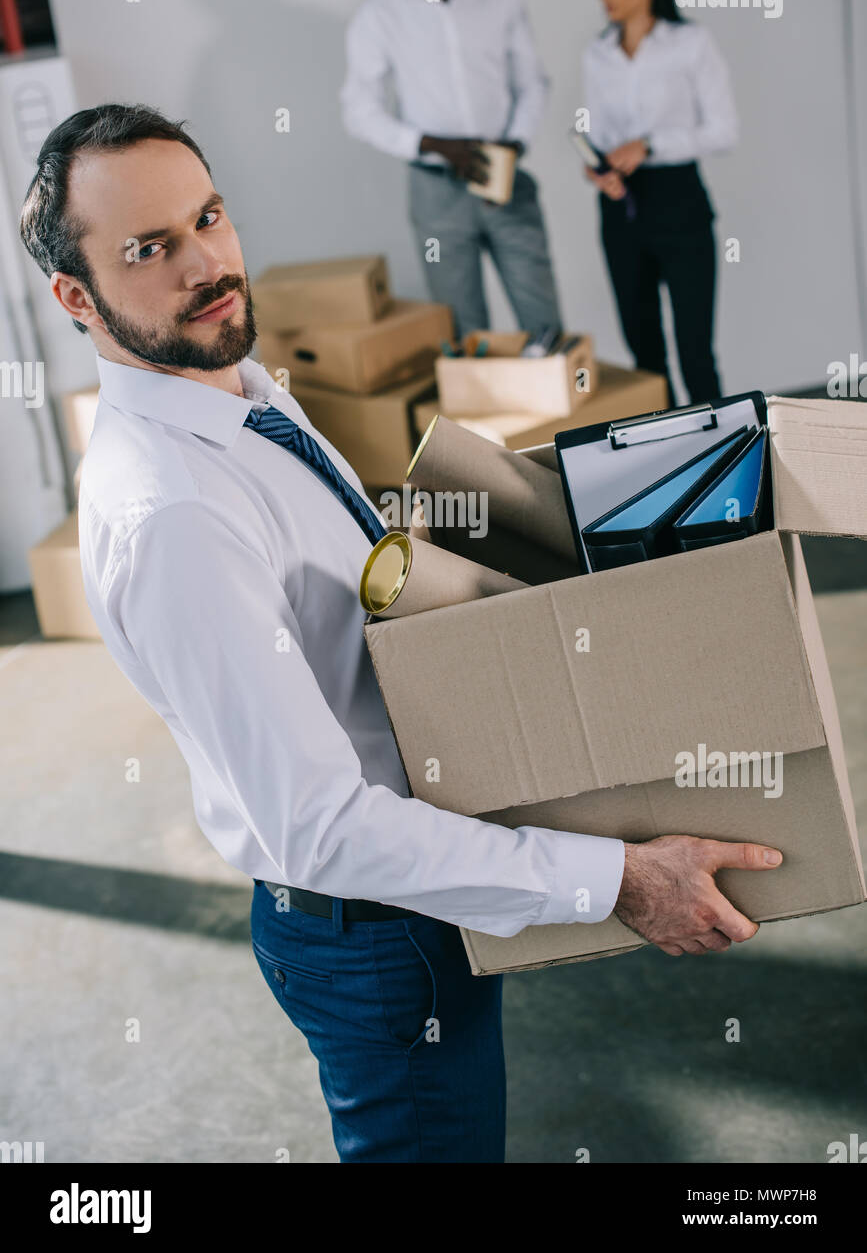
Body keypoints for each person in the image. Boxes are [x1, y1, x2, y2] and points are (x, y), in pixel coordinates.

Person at [19, 104, 782, 1164]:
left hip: (408, 893)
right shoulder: (176, 515)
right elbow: (321, 828)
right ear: (75, 295)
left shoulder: (233, 385)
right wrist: (621, 880)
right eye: (149, 249)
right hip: (375, 928)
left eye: (210, 216)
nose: (207, 263)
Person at [341, 0, 564, 342]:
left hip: (505, 179)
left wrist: (514, 145)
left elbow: (533, 83)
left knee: (546, 328)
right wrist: (435, 145)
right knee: (465, 334)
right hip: (436, 192)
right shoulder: (381, 15)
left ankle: (561, 408)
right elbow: (358, 111)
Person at [581, 0, 738, 405]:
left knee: (695, 352)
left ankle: (730, 458)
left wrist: (650, 145)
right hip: (620, 211)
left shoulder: (691, 43)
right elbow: (601, 135)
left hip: (680, 203)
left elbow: (724, 130)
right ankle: (670, 465)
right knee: (645, 354)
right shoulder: (597, 53)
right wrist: (596, 169)